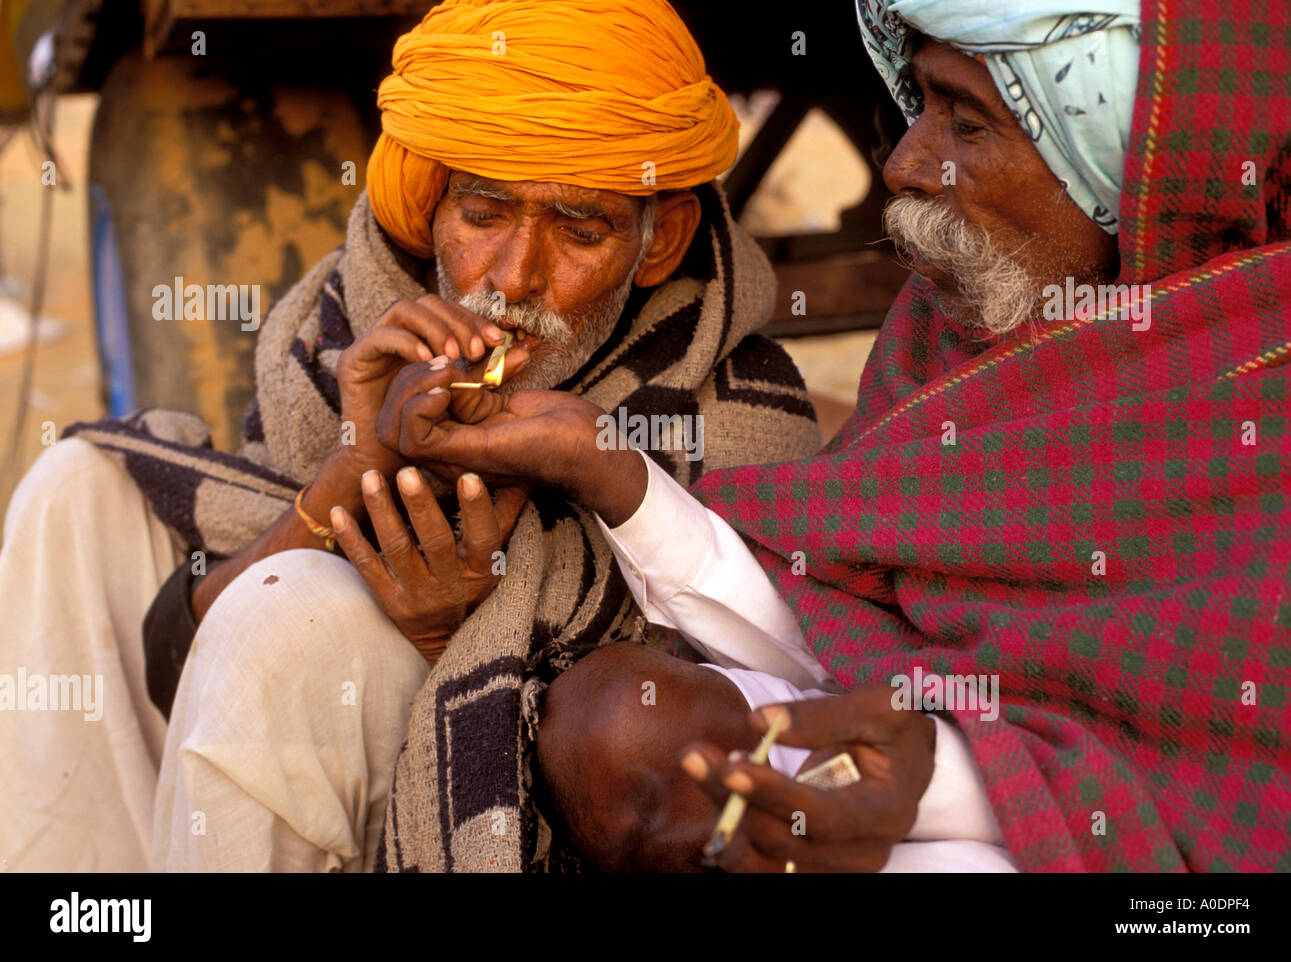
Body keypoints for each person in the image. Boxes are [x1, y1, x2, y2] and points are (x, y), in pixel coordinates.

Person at [366, 0, 1291, 871]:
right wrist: (605, 467)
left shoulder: (1267, 390)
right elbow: (850, 619)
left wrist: (943, 780)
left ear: (1129, 158)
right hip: (932, 755)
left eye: (966, 124)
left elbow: (1246, 792)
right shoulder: (953, 331)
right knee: (619, 728)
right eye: (921, 104)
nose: (903, 165)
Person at [0, 0, 823, 872]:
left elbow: (751, 694)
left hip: (517, 767)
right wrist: (353, 472)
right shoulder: (333, 332)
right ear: (429, 204)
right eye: (482, 216)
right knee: (73, 488)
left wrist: (455, 632)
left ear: (661, 244)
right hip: (281, 675)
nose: (514, 278)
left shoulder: (738, 404)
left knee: (285, 622)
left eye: (582, 232)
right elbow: (175, 641)